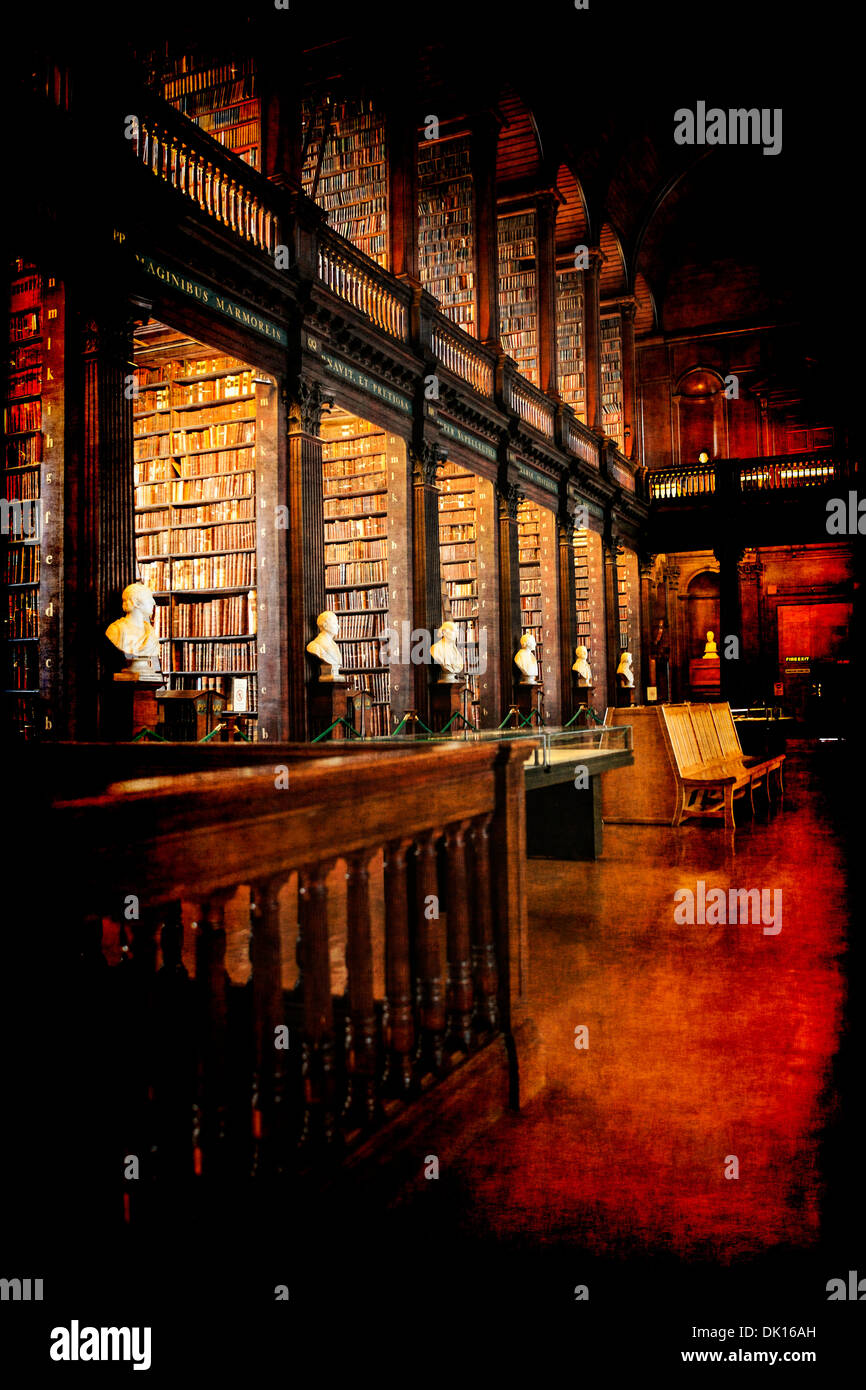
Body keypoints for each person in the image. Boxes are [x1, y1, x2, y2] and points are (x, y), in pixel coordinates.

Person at [105, 582, 163, 680]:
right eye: (149, 598)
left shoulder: (151, 632)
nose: (153, 602)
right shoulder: (116, 630)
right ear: (137, 603)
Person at [306, 610, 344, 680]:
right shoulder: (314, 646)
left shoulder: (334, 645)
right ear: (325, 625)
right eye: (335, 623)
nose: (338, 626)